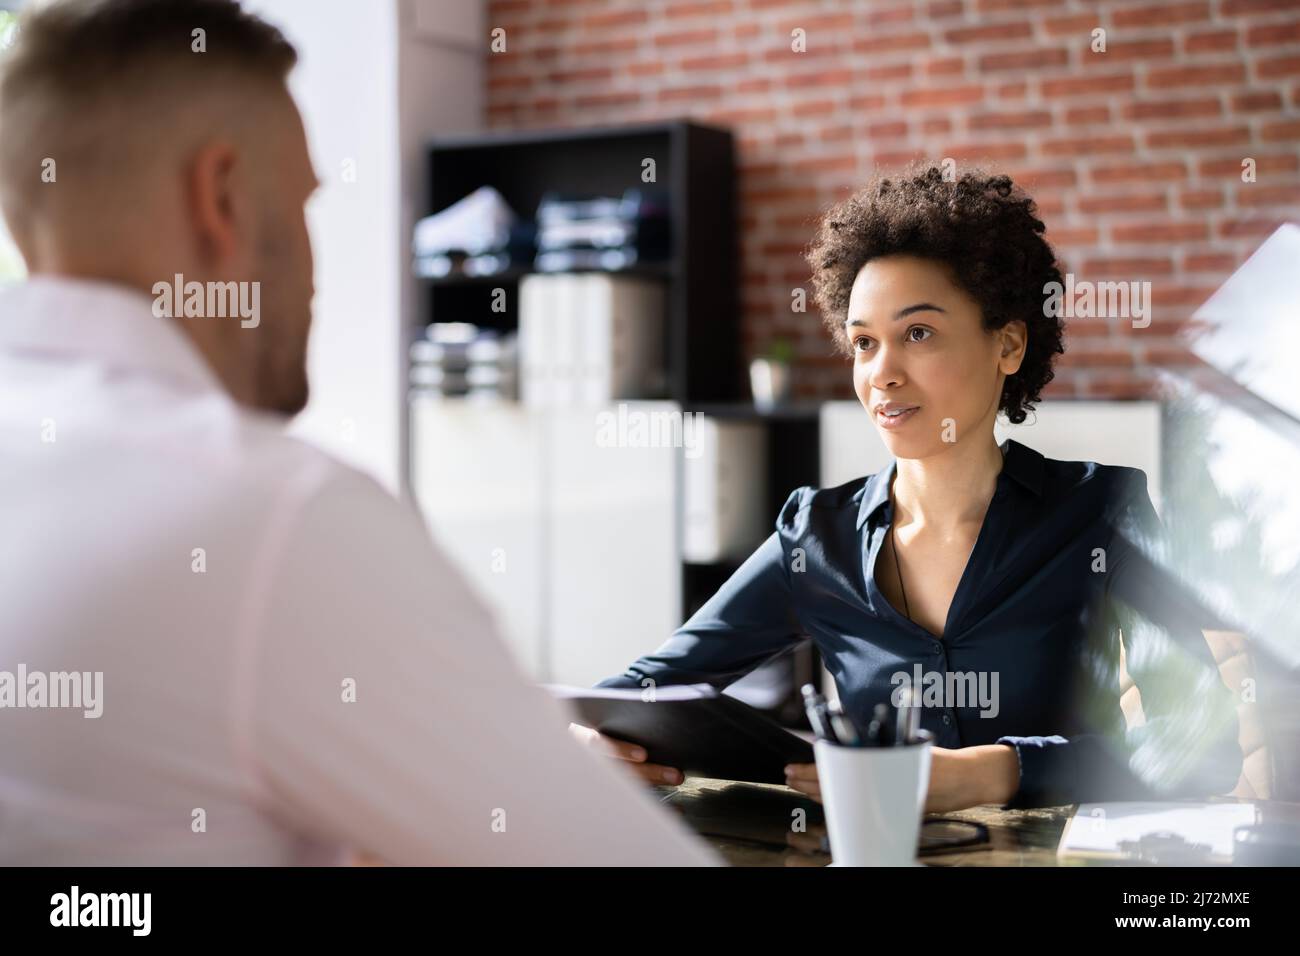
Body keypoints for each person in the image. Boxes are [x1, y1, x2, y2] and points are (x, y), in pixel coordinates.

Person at [0, 0, 717, 866]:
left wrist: (466, 762)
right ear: (218, 198)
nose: (313, 272)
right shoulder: (274, 516)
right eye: (302, 202)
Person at [574, 166, 1243, 813]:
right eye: (864, 343)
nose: (881, 373)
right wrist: (589, 738)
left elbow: (1198, 735)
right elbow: (643, 690)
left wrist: (990, 773)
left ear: (1008, 345)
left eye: (917, 333)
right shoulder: (816, 536)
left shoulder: (1102, 512)